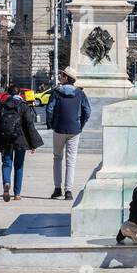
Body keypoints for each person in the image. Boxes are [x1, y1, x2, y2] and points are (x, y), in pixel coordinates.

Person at [45, 67, 91, 200]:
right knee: (71, 160)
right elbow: (87, 111)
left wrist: (52, 124)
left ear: (66, 78)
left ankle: (57, 188)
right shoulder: (80, 93)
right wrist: (80, 124)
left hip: (59, 128)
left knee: (57, 158)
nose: (60, 75)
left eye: (62, 74)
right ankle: (68, 191)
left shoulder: (56, 92)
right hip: (74, 129)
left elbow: (49, 110)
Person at [0, 86, 43, 202]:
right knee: (19, 166)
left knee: (6, 163)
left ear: (8, 93)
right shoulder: (23, 106)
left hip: (5, 139)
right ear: (19, 93)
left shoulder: (3, 105)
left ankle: (6, 182)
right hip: (20, 139)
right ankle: (17, 194)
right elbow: (29, 125)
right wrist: (33, 143)